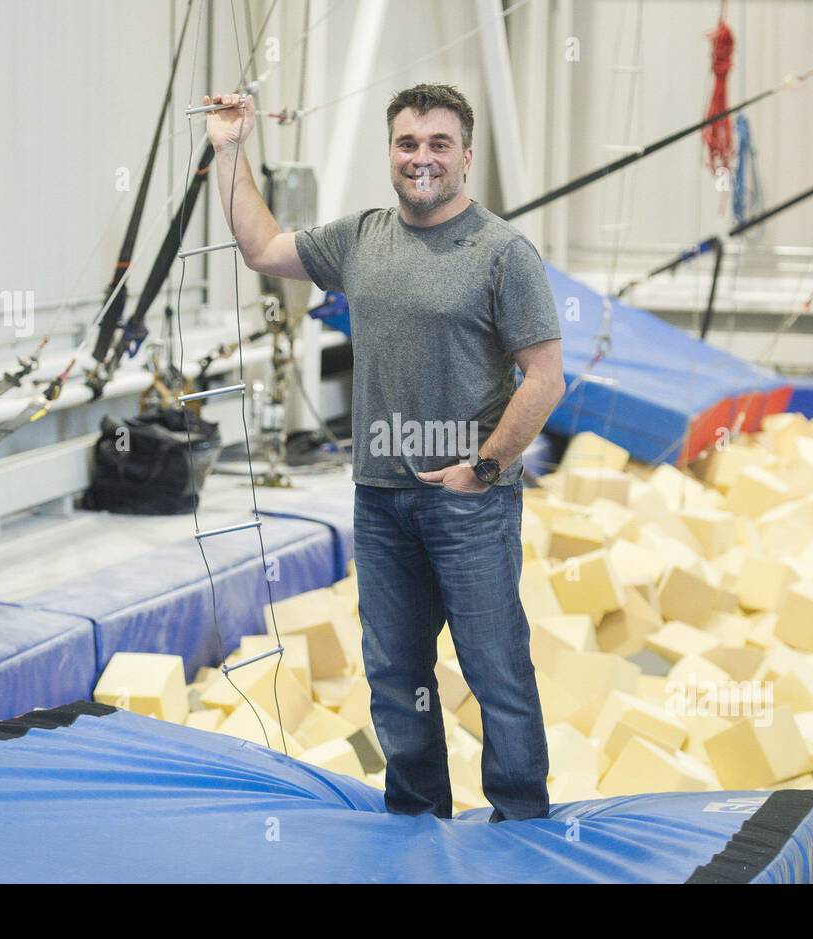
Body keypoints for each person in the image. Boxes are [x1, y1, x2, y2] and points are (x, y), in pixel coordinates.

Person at [202, 81, 564, 822]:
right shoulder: (360, 239)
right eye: (407, 143)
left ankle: (523, 821)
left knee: (496, 668)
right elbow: (262, 248)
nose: (421, 158)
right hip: (381, 499)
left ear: (466, 155)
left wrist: (484, 468)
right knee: (396, 674)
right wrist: (229, 149)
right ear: (391, 153)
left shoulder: (502, 253)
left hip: (470, 502)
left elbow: (545, 378)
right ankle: (415, 820)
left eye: (438, 144)